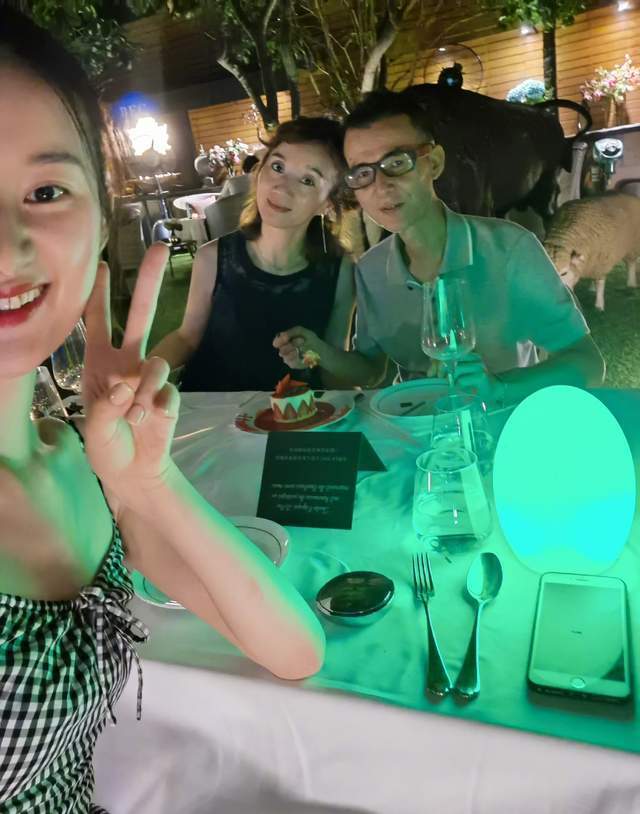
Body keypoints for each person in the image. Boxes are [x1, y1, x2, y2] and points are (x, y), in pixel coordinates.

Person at [0, 11, 324, 813]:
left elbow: (294, 649)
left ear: (97, 217)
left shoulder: (78, 466)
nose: (7, 246)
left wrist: (147, 484)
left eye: (45, 191)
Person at [274, 90, 605, 404]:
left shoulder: (509, 249)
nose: (381, 186)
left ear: (433, 162)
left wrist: (499, 388)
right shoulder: (371, 270)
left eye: (396, 163)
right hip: (417, 431)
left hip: (502, 427)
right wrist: (319, 351)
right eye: (363, 173)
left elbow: (587, 362)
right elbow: (374, 370)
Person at [152, 117, 355, 391]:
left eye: (308, 180)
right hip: (211, 409)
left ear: (328, 203)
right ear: (259, 172)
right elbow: (187, 338)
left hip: (293, 410)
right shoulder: (213, 257)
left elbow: (332, 368)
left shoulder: (340, 269)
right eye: (278, 167)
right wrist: (139, 376)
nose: (281, 187)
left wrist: (315, 355)